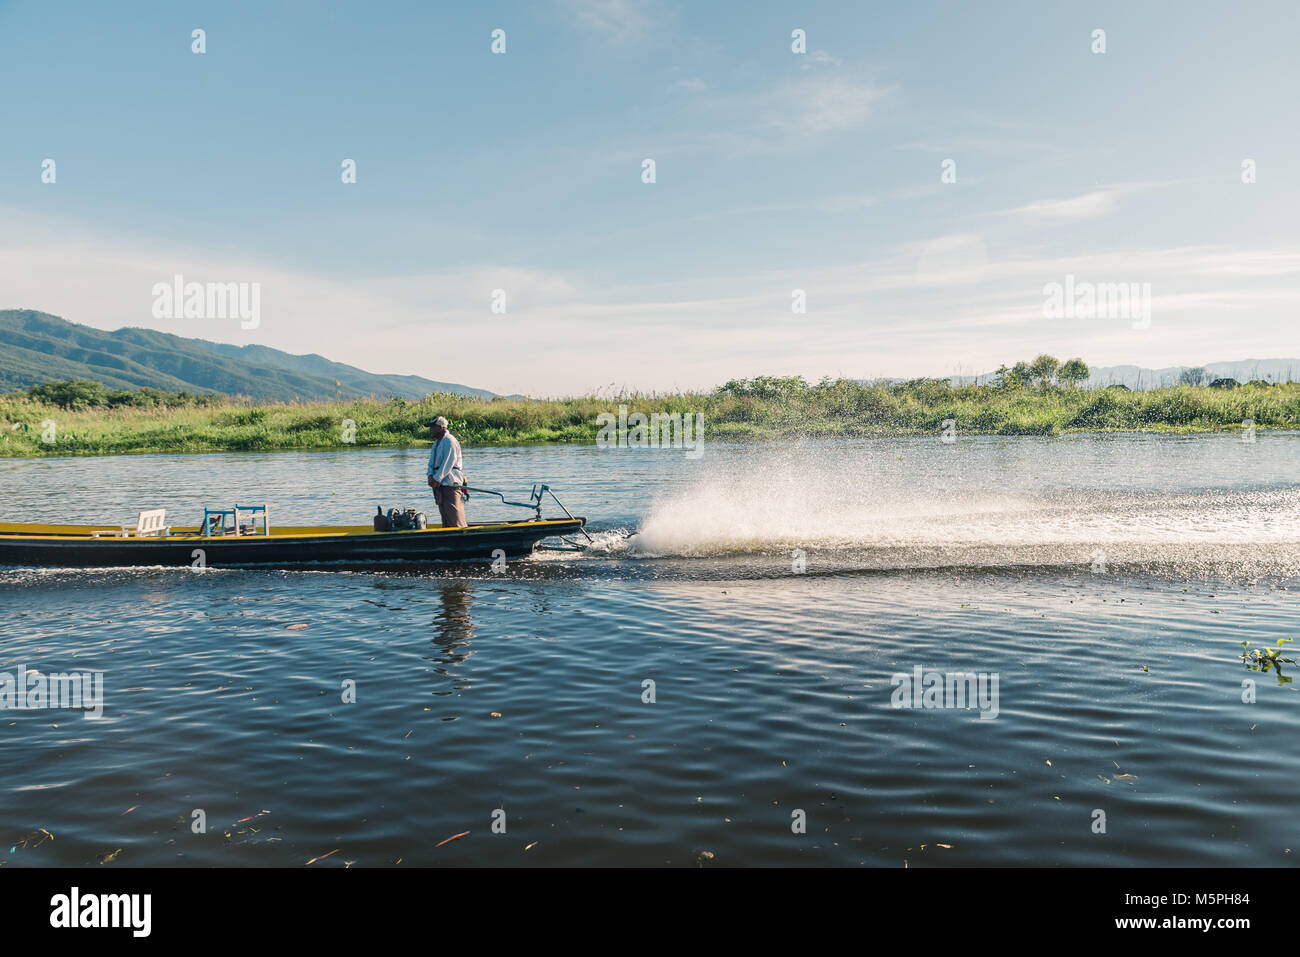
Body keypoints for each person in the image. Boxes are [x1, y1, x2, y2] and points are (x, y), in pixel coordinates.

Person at [425, 416, 468, 528]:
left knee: (454, 515)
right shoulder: (436, 443)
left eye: (433, 427)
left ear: (441, 427)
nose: (430, 430)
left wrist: (436, 479)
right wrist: (430, 476)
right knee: (445, 514)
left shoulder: (450, 441)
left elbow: (448, 463)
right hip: (439, 484)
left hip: (450, 482)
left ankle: (460, 534)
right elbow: (431, 463)